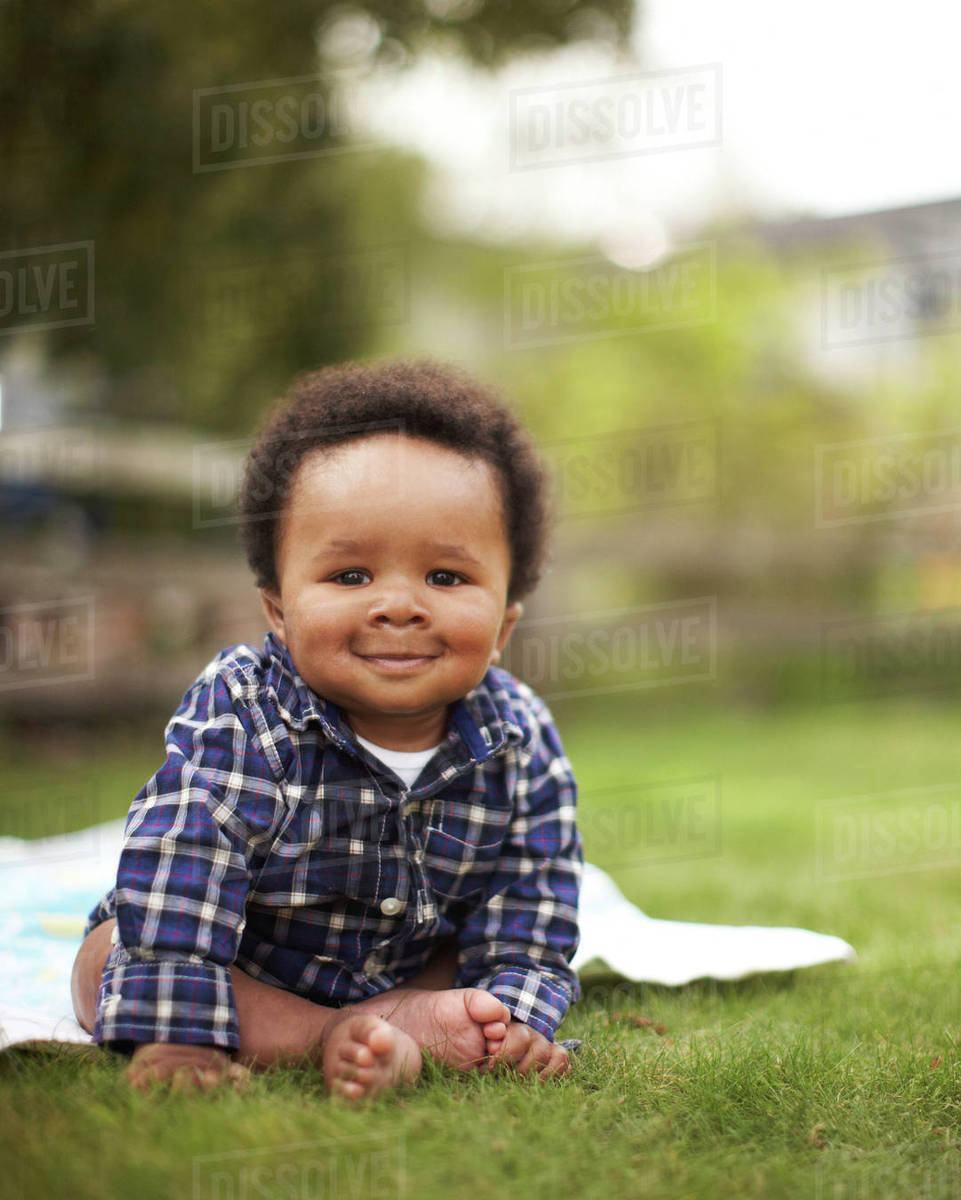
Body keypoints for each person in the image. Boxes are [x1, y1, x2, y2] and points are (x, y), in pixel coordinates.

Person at [71, 358, 583, 1101]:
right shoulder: (244, 709)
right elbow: (186, 865)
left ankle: (405, 1017)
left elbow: (535, 902)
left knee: (472, 988)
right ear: (277, 610)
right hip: (246, 966)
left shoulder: (520, 737)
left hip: (407, 959)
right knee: (106, 960)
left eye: (445, 577)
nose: (399, 606)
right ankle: (331, 1034)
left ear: (503, 624)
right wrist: (180, 1033)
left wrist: (518, 1015)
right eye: (350, 576)